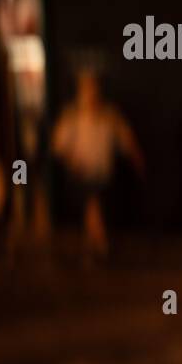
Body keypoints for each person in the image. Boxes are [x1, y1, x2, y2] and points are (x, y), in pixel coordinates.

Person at [50, 70, 143, 259]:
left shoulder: (110, 116)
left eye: (94, 89)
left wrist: (138, 160)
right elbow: (58, 146)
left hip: (105, 177)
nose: (91, 94)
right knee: (93, 202)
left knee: (96, 202)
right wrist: (73, 161)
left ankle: (93, 243)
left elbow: (127, 140)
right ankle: (100, 243)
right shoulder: (71, 116)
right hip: (80, 175)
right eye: (86, 90)